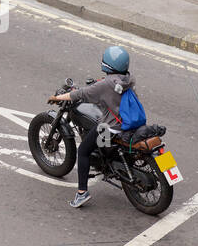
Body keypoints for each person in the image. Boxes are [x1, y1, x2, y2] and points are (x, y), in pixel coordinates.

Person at [48, 45, 134, 208]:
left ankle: (82, 193)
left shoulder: (106, 84)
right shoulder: (127, 79)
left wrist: (58, 97)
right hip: (131, 121)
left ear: (107, 64)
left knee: (83, 151)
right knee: (101, 139)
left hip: (113, 126)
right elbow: (106, 91)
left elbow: (80, 94)